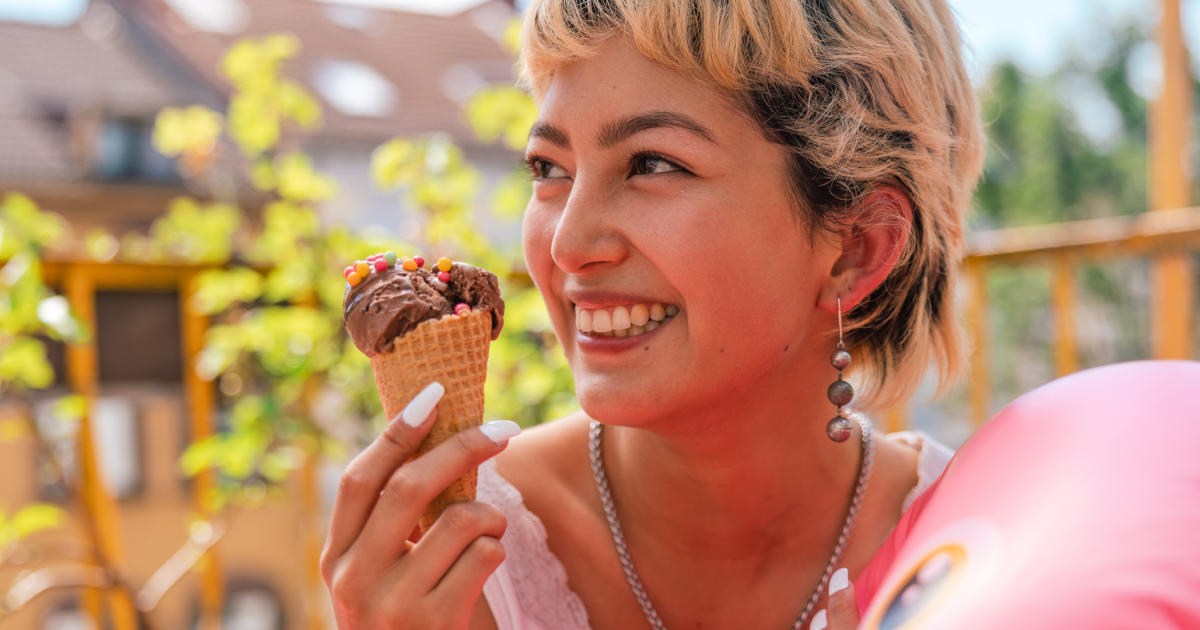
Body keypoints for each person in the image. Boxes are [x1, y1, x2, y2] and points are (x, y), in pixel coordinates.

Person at [319, 0, 984, 628]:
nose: (568, 244)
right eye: (549, 168)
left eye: (652, 164)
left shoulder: (979, 543)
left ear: (857, 247)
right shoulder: (457, 563)